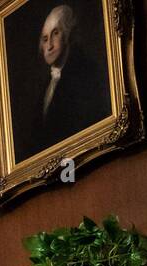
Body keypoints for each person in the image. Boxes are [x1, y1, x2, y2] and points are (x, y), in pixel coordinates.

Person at [14, 4, 110, 162]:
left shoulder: (84, 74)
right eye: (45, 39)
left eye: (55, 33)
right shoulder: (46, 85)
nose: (49, 45)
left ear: (67, 35)